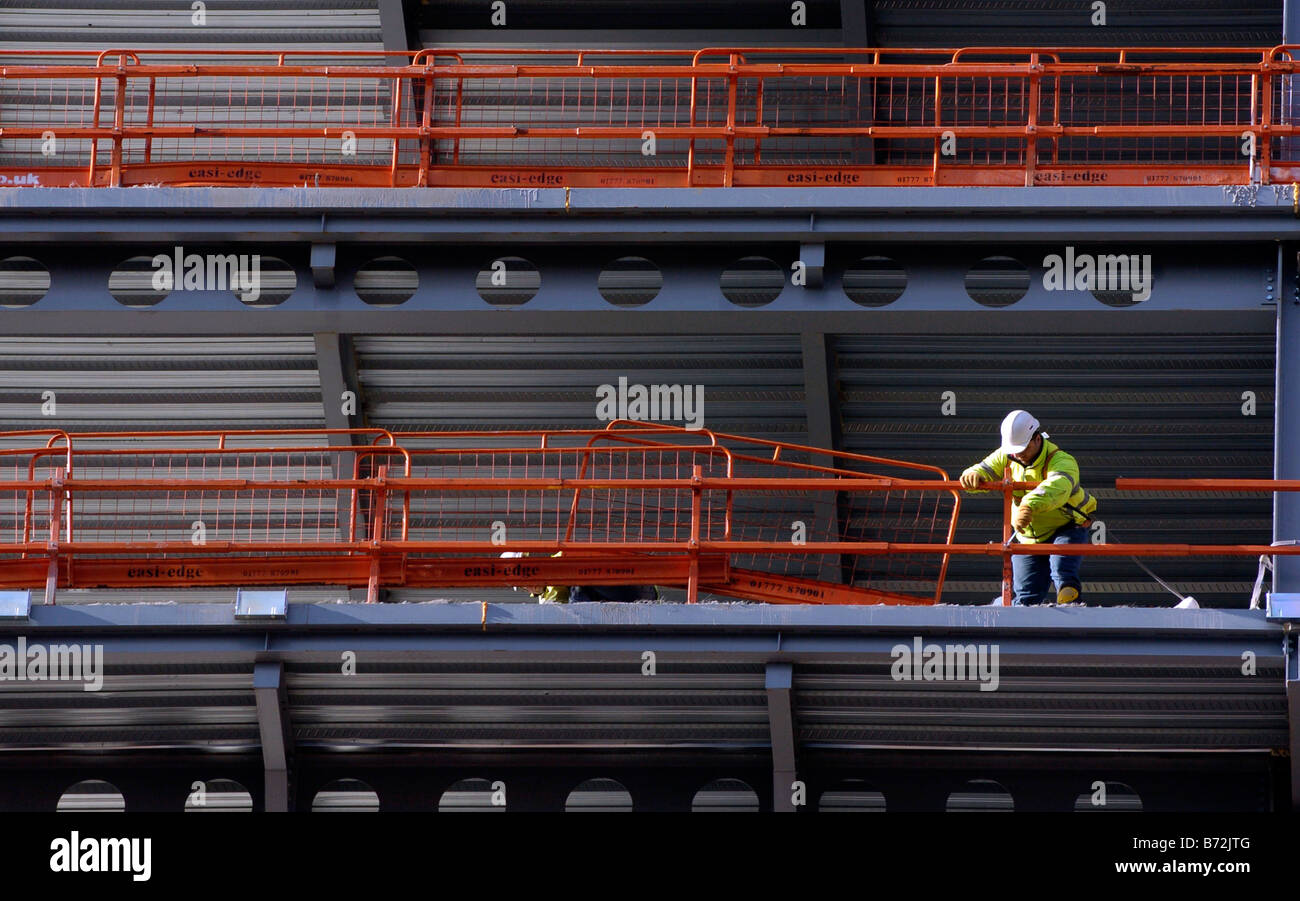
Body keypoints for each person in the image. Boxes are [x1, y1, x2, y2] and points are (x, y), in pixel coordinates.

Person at [957, 410, 1098, 606]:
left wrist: (1028, 506)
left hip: (1067, 527)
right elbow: (984, 468)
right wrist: (971, 475)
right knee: (1026, 596)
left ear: (1037, 439)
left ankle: (1070, 610)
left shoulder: (1062, 460)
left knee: (1063, 572)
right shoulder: (1008, 455)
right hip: (1028, 536)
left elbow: (1058, 486)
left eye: (1022, 448)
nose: (1017, 454)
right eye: (1014, 450)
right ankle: (1004, 614)